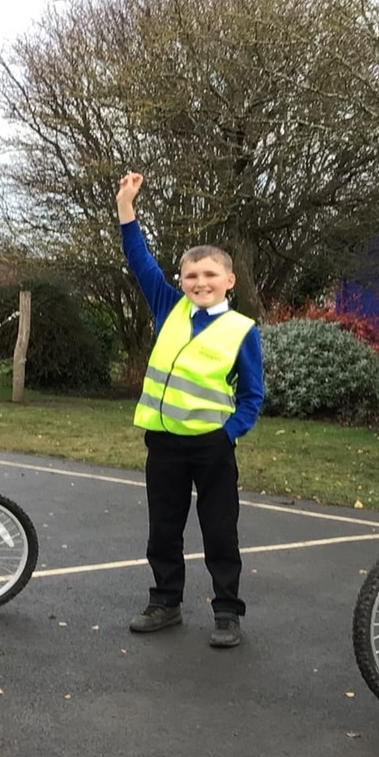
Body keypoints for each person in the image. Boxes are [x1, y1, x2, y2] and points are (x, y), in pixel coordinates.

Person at [116, 171, 265, 648]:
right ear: (180, 281)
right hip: (163, 443)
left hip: (212, 447)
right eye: (191, 275)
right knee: (163, 529)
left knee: (220, 530)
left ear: (229, 281)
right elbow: (139, 261)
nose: (200, 282)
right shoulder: (168, 307)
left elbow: (252, 396)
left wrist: (228, 434)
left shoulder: (242, 329)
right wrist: (126, 208)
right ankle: (165, 602)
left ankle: (227, 612)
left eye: (210, 275)